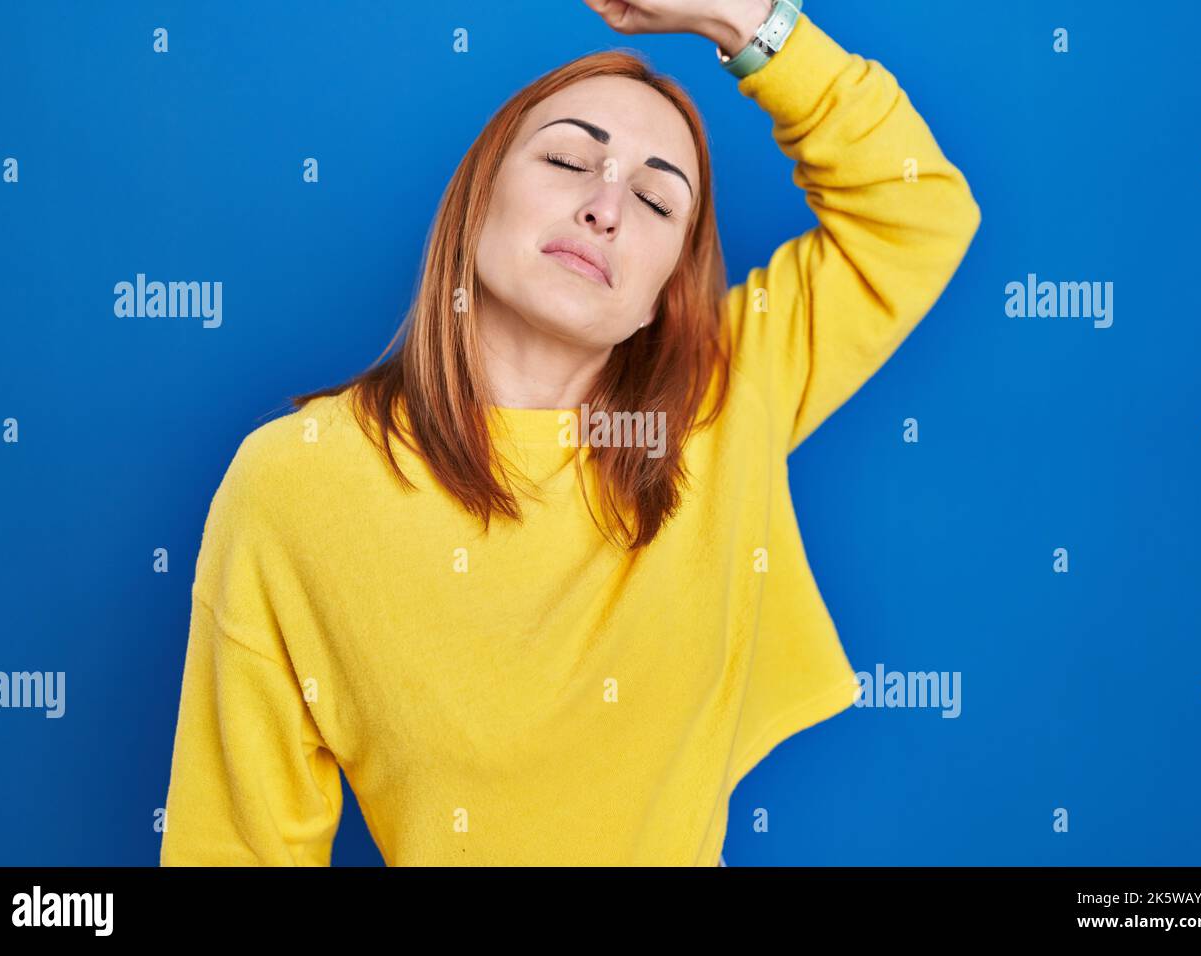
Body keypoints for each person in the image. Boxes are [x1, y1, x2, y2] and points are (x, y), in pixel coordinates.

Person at [159, 0, 980, 867]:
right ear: (479, 195)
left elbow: (919, 216)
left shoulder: (723, 402)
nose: (605, 208)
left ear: (664, 290)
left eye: (658, 201)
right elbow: (234, 850)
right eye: (567, 159)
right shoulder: (298, 481)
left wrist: (741, 18)